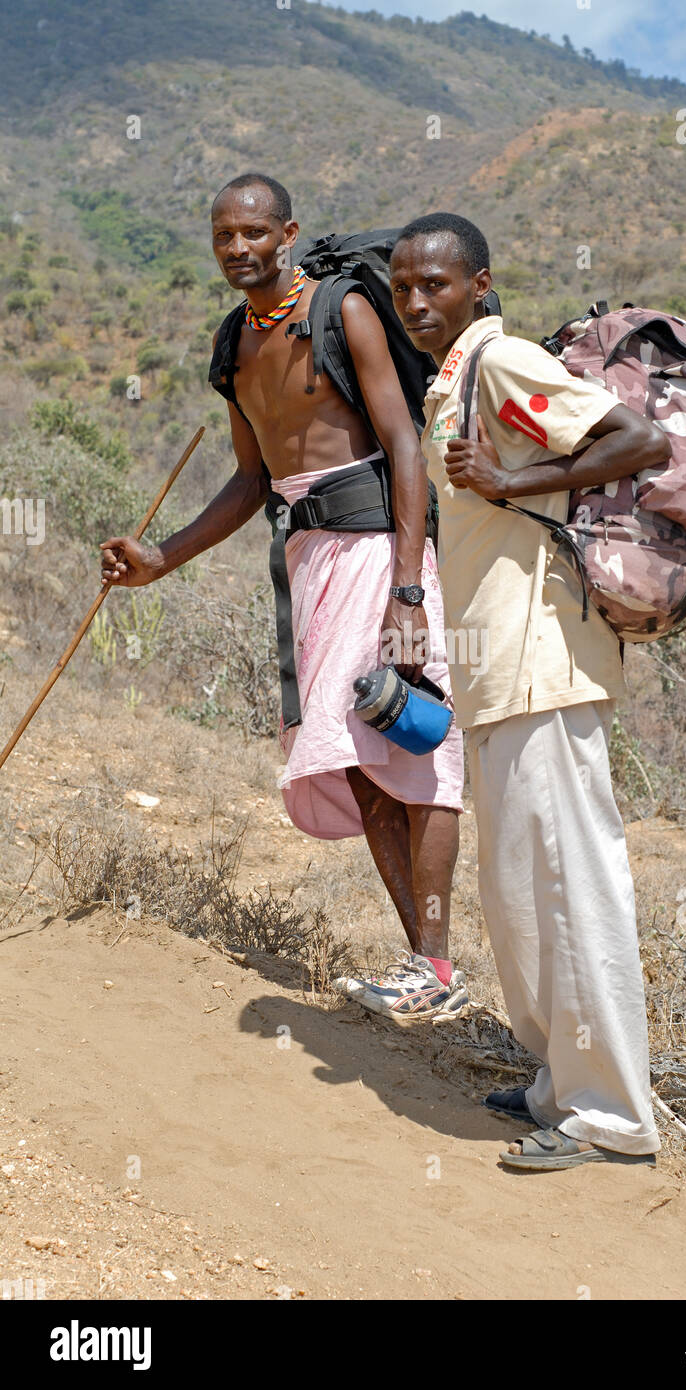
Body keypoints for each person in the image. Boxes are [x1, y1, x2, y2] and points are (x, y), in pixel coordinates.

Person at [99, 175, 467, 1023]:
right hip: (307, 559)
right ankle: (425, 966)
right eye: (223, 235)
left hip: (380, 550)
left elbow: (404, 446)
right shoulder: (234, 344)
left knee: (415, 742)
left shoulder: (343, 312)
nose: (237, 249)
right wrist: (163, 557)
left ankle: (438, 963)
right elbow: (252, 478)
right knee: (355, 756)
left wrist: (409, 589)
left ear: (287, 232)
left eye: (254, 232)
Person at [389, 212, 668, 1167]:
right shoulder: (456, 380)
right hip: (502, 670)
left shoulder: (500, 361)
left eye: (436, 285)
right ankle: (561, 1086)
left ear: (479, 283)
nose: (418, 302)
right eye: (403, 289)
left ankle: (614, 1117)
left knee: (569, 886)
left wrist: (515, 485)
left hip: (545, 661)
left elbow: (640, 439)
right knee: (522, 895)